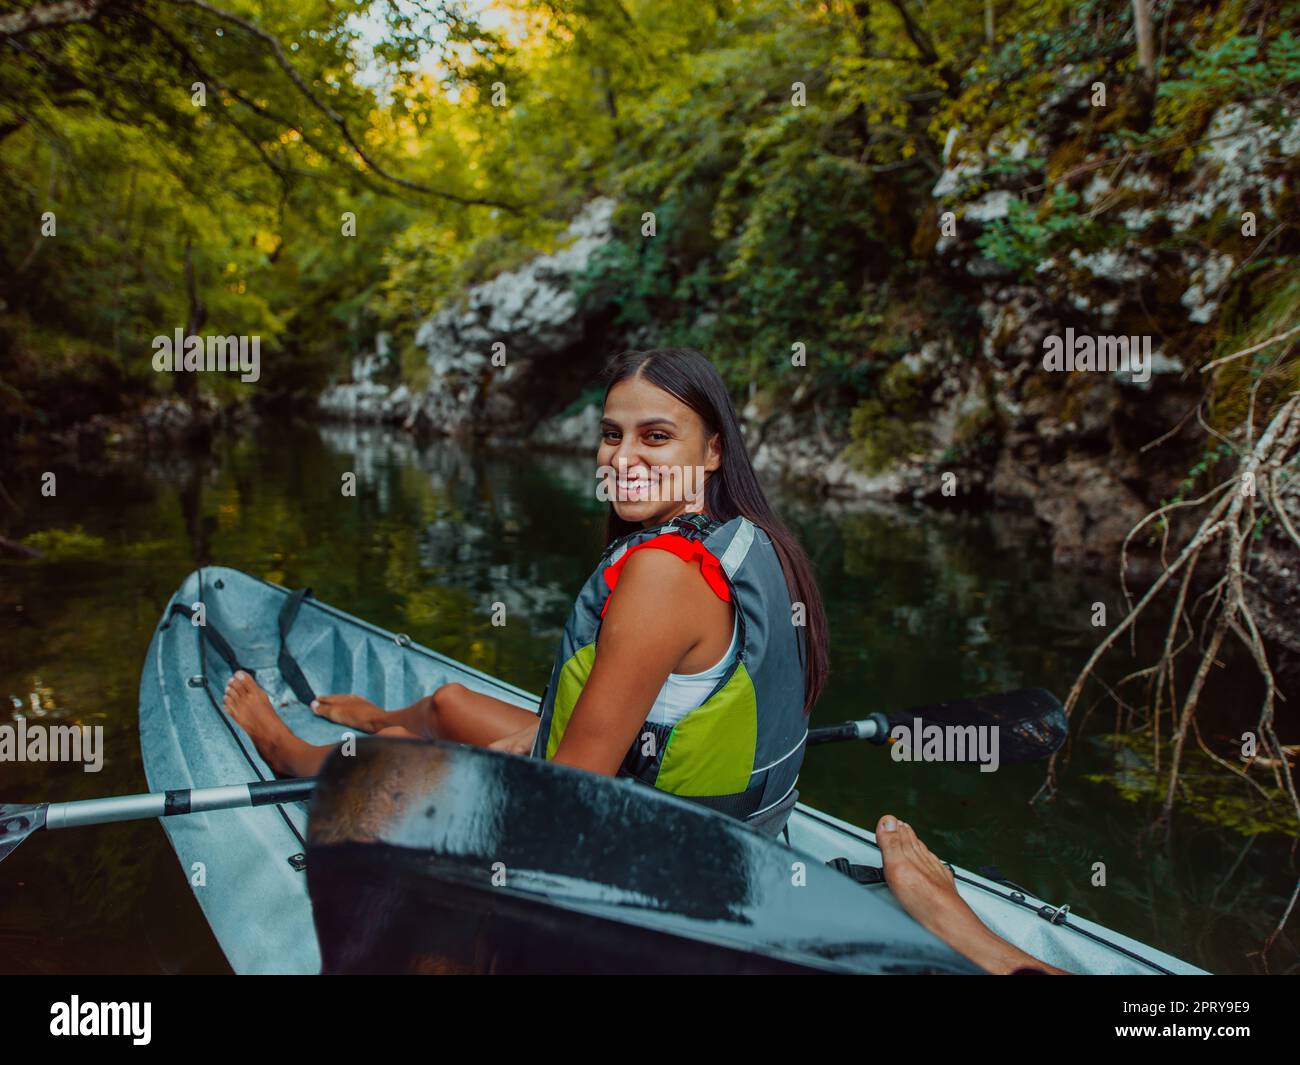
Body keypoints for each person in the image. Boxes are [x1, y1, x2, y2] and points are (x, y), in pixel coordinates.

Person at [222, 346, 1064, 974]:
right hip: (706, 817)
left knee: (402, 770)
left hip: (666, 868)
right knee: (447, 703)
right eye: (611, 435)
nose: (620, 457)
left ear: (710, 453)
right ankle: (377, 718)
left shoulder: (662, 576)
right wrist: (536, 752)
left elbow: (564, 810)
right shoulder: (749, 541)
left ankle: (296, 756)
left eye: (655, 435)